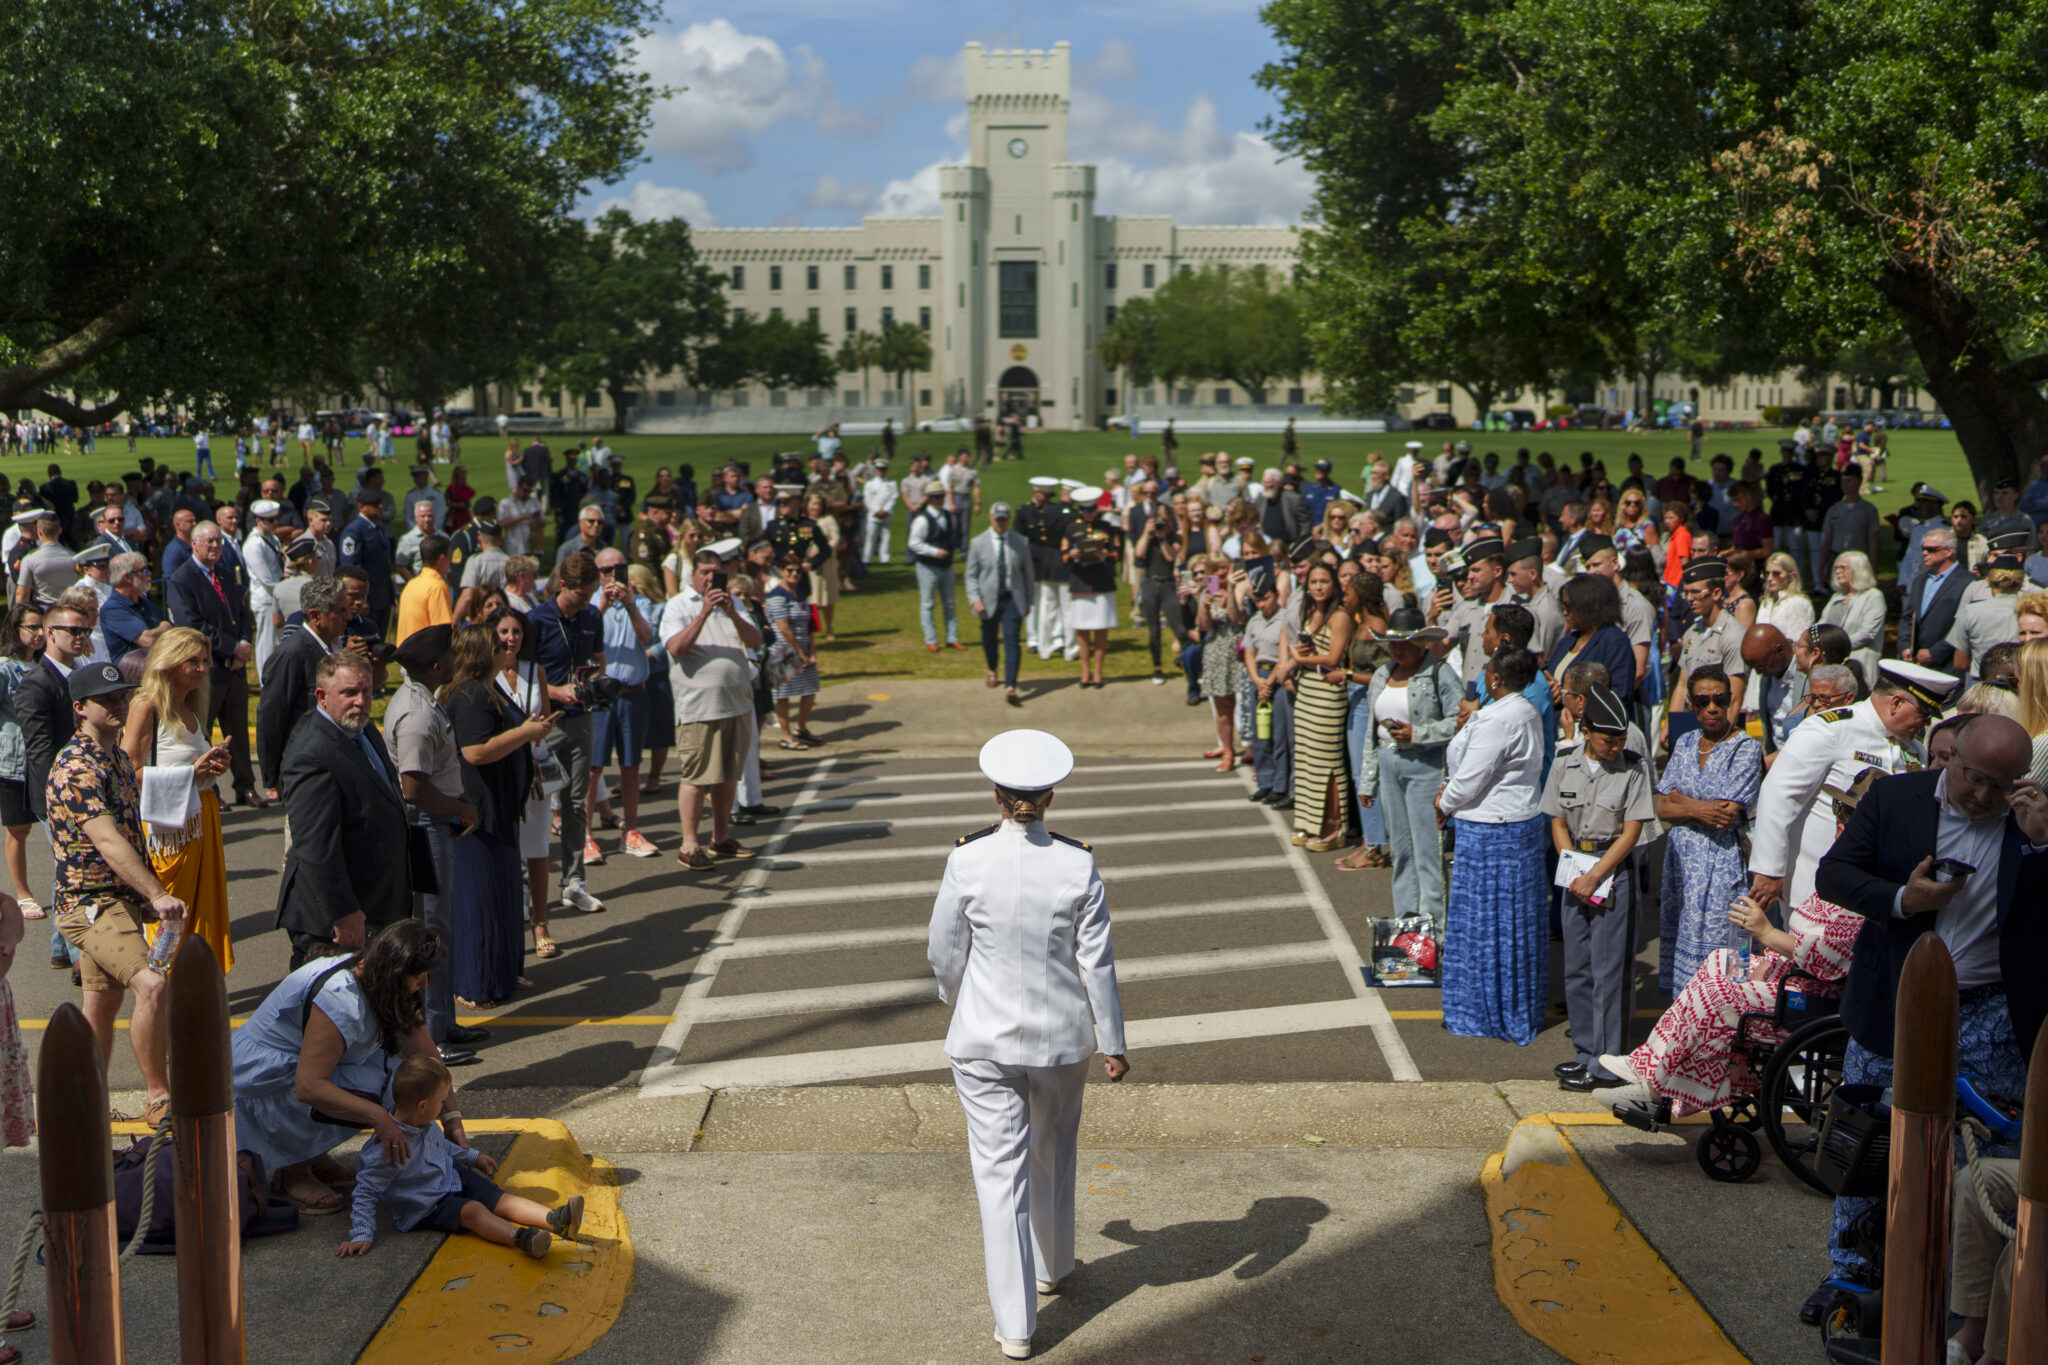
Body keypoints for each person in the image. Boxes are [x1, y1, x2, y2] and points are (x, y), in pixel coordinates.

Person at [1812, 713, 2048, 1302]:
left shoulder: (2032, 819)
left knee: (1988, 1159)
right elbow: (1833, 875)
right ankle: (1851, 1277)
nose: (1984, 794)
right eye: (1974, 778)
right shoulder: (1896, 798)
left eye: (2002, 783)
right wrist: (1899, 899)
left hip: (1993, 1012)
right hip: (1896, 999)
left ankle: (1968, 1301)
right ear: (1952, 758)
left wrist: (2044, 842)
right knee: (1870, 1143)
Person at [927, 729, 1126, 1361]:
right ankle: (1054, 1263)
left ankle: (1016, 1325)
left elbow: (944, 950)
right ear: (1049, 798)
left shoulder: (967, 858)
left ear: (997, 793)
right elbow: (1097, 962)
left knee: (998, 1175)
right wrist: (1114, 1039)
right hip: (1063, 1036)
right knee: (1054, 1149)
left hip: (984, 1035)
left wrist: (958, 998)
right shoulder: (1076, 861)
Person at [1609, 767, 1877, 1121]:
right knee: (1722, 960)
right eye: (1840, 811)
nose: (1840, 821)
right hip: (1791, 978)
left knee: (1719, 995)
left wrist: (1767, 934)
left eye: (1850, 816)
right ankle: (1649, 1063)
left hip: (1809, 999)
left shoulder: (1864, 880)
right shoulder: (1847, 866)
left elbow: (1829, 960)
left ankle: (1654, 1085)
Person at [232, 919, 456, 1213]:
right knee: (384, 1090)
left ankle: (311, 1155)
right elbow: (309, 1086)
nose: (425, 983)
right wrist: (379, 1117)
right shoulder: (342, 999)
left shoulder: (374, 973)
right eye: (420, 974)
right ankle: (291, 1174)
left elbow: (423, 1055)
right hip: (260, 1084)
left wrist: (453, 1118)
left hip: (292, 1070)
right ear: (396, 972)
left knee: (409, 1079)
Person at [48, 661, 186, 1127]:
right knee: (152, 985)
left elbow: (132, 829)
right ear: (79, 708)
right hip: (89, 904)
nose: (117, 705)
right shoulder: (75, 768)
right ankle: (158, 1095)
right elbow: (107, 841)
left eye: (121, 697)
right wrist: (158, 892)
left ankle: (83, 1101)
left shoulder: (117, 759)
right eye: (105, 700)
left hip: (119, 901)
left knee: (102, 1004)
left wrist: (146, 895)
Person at [1748, 659, 1953, 916]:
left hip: (1875, 891)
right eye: (1923, 716)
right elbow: (1780, 795)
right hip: (1815, 888)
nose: (1924, 725)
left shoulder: (1914, 749)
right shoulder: (1831, 729)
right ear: (1897, 703)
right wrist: (1769, 869)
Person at [339, 1053, 578, 1260]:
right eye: (442, 1102)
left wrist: (473, 1157)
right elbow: (365, 1191)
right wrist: (362, 1234)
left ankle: (555, 1219)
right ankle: (522, 1238)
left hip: (451, 1176)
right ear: (422, 1105)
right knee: (473, 1211)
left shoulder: (425, 1123)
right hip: (428, 1204)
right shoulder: (388, 1148)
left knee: (498, 1197)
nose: (444, 1106)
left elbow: (441, 1146)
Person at [383, 625, 490, 1055]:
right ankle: (429, 1035)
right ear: (437, 664)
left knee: (437, 930)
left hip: (433, 821)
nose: (456, 658)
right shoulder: (418, 713)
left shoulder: (425, 700)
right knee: (428, 934)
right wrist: (459, 807)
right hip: (425, 825)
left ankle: (443, 1023)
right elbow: (414, 789)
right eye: (450, 653)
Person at [1545, 683, 1657, 1092]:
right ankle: (1584, 1051)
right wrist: (1571, 866)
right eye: (1609, 738)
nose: (1616, 745)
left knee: (1609, 971)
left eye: (1621, 738)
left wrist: (1595, 875)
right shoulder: (1564, 763)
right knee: (1576, 968)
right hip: (1575, 868)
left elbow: (1631, 832)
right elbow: (1557, 819)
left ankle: (1608, 1063)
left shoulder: (1633, 768)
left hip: (1611, 868)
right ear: (1586, 730)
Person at [1437, 647, 1548, 1044]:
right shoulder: (1525, 711)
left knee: (1485, 925)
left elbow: (1469, 779)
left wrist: (1443, 803)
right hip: (1517, 824)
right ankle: (1514, 1005)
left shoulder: (1498, 719)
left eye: (1487, 671)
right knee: (1511, 922)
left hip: (1491, 830)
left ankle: (1484, 1012)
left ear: (1496, 680)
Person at [275, 654, 415, 968]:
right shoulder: (311, 753)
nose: (361, 701)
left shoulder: (363, 731)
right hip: (336, 921)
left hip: (378, 903)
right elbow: (316, 847)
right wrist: (343, 912)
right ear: (322, 697)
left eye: (366, 691)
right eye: (349, 693)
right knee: (334, 1011)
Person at [441, 623, 546, 1009]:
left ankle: (502, 973)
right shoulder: (469, 695)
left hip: (500, 809)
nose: (506, 645)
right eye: (497, 643)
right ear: (481, 653)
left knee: (502, 897)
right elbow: (475, 751)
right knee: (479, 900)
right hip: (479, 813)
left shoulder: (490, 687)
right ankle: (473, 984)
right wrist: (525, 734)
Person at [120, 628, 235, 974]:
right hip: (168, 829)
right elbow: (128, 773)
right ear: (169, 664)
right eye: (192, 661)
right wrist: (189, 774)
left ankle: (193, 983)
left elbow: (195, 767)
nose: (201, 668)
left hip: (201, 821)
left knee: (201, 912)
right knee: (169, 914)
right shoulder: (146, 706)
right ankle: (160, 984)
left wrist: (215, 764)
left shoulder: (191, 708)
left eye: (204, 661)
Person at [1653, 663, 1762, 995]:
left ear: (1731, 700)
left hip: (1721, 863)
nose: (1712, 708)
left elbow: (1726, 814)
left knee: (1726, 951)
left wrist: (1681, 802)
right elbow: (1661, 807)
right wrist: (1699, 807)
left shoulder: (1746, 747)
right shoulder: (1685, 743)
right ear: (1691, 704)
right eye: (1703, 701)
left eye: (1719, 699)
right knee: (1682, 940)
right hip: (1681, 866)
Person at [662, 548, 763, 871]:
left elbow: (756, 640)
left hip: (736, 705)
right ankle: (688, 844)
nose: (709, 577)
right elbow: (675, 647)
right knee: (696, 776)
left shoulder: (732, 604)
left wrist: (732, 612)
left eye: (715, 572)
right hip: (698, 709)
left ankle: (720, 838)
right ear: (693, 574)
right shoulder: (678, 605)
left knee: (727, 775)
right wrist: (704, 612)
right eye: (704, 572)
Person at [1357, 612, 1458, 925]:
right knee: (1401, 851)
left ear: (1422, 643)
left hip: (1425, 764)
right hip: (1390, 761)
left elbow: (1460, 722)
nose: (1397, 649)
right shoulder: (1381, 675)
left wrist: (1419, 733)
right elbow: (1373, 735)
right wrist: (1367, 779)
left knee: (1427, 852)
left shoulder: (1440, 674)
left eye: (1404, 643)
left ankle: (1435, 931)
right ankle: (1407, 924)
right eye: (1392, 643)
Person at [529, 553, 607, 915]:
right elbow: (525, 678)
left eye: (591, 594)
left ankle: (573, 882)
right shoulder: (537, 620)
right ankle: (527, 886)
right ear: (563, 586)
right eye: (581, 595)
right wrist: (558, 692)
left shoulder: (592, 616)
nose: (587, 602)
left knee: (576, 805)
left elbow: (598, 660)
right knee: (534, 804)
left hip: (581, 719)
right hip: (544, 722)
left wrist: (595, 683)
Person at [165, 522, 261, 806]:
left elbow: (242, 613)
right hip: (207, 670)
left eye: (219, 541)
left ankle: (245, 786)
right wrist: (231, 648)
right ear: (194, 544)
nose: (216, 546)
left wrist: (243, 644)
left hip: (235, 670)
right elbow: (192, 624)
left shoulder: (225, 574)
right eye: (209, 541)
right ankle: (211, 791)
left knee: (238, 733)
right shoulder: (182, 580)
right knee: (202, 732)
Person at [1273, 561, 1353, 848]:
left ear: (1334, 586)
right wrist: (1302, 654)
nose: (1318, 586)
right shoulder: (1311, 612)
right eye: (1313, 582)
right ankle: (1309, 823)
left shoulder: (1340, 616)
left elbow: (1334, 658)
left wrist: (1299, 659)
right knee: (1306, 759)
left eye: (1324, 581)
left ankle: (1335, 827)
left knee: (1327, 761)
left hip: (1329, 694)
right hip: (1307, 690)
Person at [968, 502, 1034, 707]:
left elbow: (1028, 574)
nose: (1001, 523)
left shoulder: (1020, 542)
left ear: (1009, 520)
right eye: (998, 520)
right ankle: (992, 668)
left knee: (1012, 640)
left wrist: (1029, 601)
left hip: (1012, 599)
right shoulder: (978, 543)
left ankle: (1011, 685)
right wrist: (975, 599)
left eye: (1004, 520)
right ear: (990, 518)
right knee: (989, 639)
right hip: (987, 601)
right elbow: (971, 575)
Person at [0, 607, 43, 923]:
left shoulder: (48, 664)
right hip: (13, 760)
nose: (40, 633)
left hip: (46, 758)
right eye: (33, 627)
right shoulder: (5, 668)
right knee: (19, 828)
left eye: (43, 626)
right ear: (15, 629)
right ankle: (23, 893)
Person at [1060, 488, 1121, 688]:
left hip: (1102, 581)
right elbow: (1063, 555)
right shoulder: (1071, 529)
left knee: (1101, 629)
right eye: (1085, 510)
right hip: (1081, 582)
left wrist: (1107, 555)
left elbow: (1117, 552)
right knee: (1083, 630)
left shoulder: (1107, 527)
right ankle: (1085, 673)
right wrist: (1073, 555)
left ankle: (1097, 673)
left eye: (1092, 509)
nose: (1089, 513)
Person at [765, 557, 822, 751]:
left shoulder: (800, 593)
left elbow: (808, 625)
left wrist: (811, 651)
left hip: (803, 649)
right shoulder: (776, 596)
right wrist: (799, 653)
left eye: (797, 570)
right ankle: (786, 736)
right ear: (781, 571)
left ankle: (801, 729)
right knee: (783, 695)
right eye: (789, 570)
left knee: (810, 690)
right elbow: (783, 627)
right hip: (783, 652)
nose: (794, 574)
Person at [1899, 526, 1971, 668]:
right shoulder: (1919, 581)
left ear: (1949, 551)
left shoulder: (1967, 582)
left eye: (1931, 550)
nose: (1924, 553)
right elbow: (1908, 617)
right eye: (1923, 549)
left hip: (1949, 664)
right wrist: (1905, 647)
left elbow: (1962, 626)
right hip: (1917, 662)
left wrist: (1935, 653)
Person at [907, 482, 964, 653]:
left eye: (942, 496)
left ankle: (952, 637)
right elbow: (913, 543)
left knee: (950, 604)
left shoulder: (947, 515)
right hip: (928, 566)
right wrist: (933, 552)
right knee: (928, 604)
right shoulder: (922, 520)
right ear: (929, 499)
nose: (940, 500)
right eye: (936, 497)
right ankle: (931, 639)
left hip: (946, 566)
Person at [1820, 550, 1885, 686]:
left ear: (1858, 569)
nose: (1837, 571)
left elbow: (1867, 633)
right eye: (1836, 568)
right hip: (1832, 664)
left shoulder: (1873, 596)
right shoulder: (1836, 597)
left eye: (1842, 567)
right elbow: (1822, 625)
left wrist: (1836, 647)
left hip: (1859, 665)